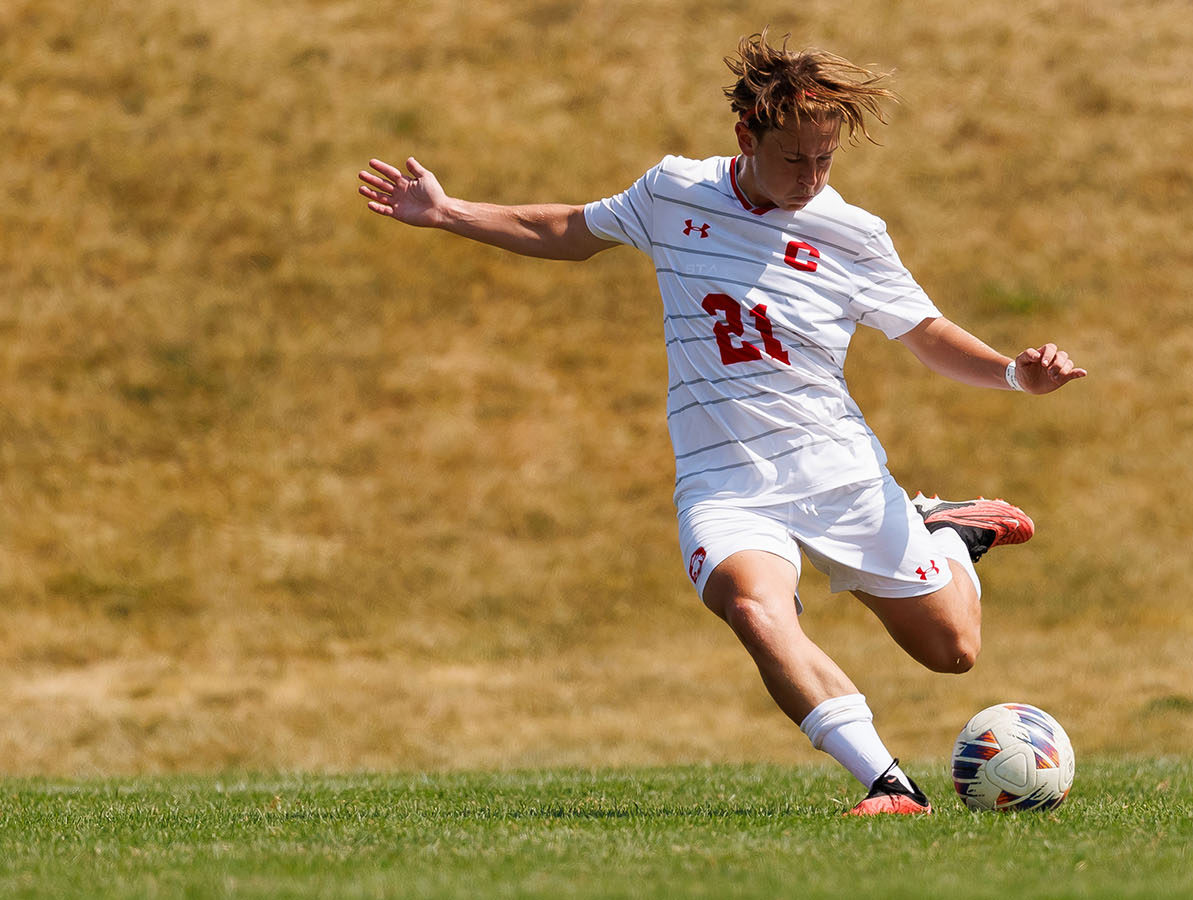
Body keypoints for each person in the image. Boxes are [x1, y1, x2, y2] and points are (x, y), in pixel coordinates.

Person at [358, 31, 1087, 815]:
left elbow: (927, 337)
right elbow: (568, 232)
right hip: (725, 483)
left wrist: (1015, 373)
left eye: (825, 160)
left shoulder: (853, 235)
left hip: (836, 469)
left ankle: (944, 532)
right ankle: (888, 784)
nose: (810, 178)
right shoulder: (673, 193)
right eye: (794, 159)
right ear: (747, 137)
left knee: (953, 652)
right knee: (751, 606)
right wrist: (446, 212)